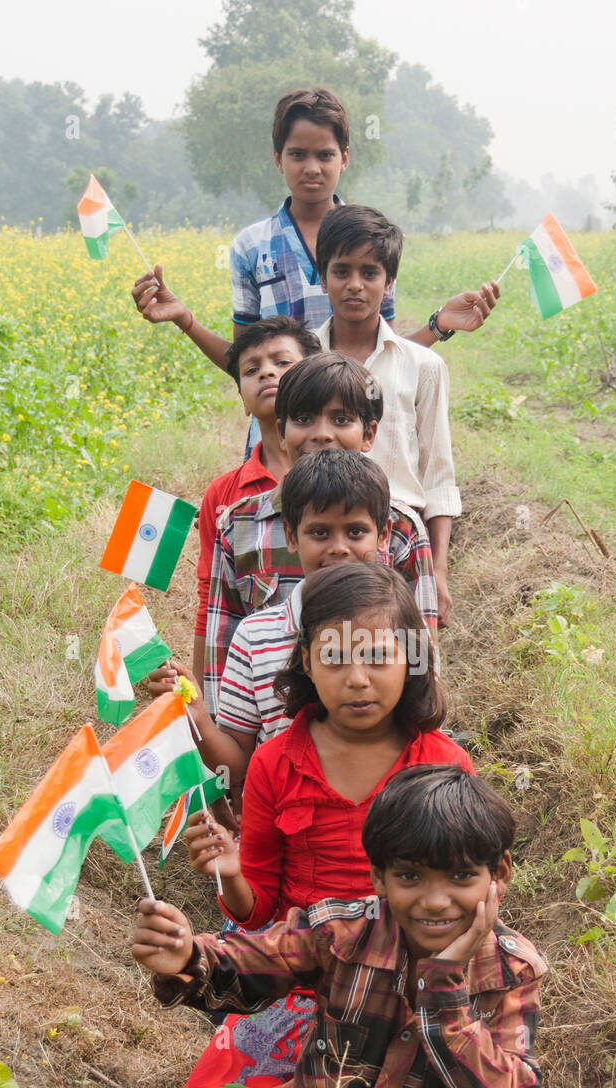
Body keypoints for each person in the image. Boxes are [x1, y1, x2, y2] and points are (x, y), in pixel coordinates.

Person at [132, 764, 557, 1088]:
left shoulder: (513, 969)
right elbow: (248, 964)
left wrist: (444, 989)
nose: (434, 900)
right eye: (410, 877)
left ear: (499, 876)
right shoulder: (340, 930)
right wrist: (187, 956)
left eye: (460, 878)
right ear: (378, 878)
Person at [157, 562, 473, 1088]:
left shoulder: (444, 764)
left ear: (413, 658)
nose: (358, 679)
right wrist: (230, 873)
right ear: (306, 662)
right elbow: (257, 912)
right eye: (335, 658)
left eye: (378, 657)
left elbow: (464, 903)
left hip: (411, 989)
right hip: (300, 980)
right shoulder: (275, 764)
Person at [129, 87, 501, 437]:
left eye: (324, 155)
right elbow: (243, 362)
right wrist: (185, 320)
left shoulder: (372, 241)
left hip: (350, 433)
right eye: (297, 154)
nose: (312, 167)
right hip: (280, 435)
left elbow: (384, 357)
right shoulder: (251, 246)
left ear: (345, 158)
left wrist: (438, 326)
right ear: (278, 159)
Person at [201, 355, 437, 717]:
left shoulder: (401, 528)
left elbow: (421, 651)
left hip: (374, 728)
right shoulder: (240, 524)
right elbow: (223, 638)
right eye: (304, 419)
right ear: (281, 432)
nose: (323, 434)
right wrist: (222, 734)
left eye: (341, 419)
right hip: (272, 735)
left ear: (369, 433)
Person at [151, 448, 395, 790]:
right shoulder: (255, 638)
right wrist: (199, 720)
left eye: (355, 532)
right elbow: (236, 768)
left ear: (383, 536)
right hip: (281, 825)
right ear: (292, 537)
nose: (339, 547)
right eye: (320, 533)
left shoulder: (401, 629)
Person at [315, 204, 460, 623]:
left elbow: (438, 476)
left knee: (407, 668)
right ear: (323, 278)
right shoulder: (303, 358)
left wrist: (439, 572)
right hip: (319, 540)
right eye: (341, 271)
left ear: (389, 282)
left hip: (400, 545)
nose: (355, 285)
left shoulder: (423, 366)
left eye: (370, 273)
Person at [193, 316, 321, 687]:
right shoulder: (224, 497)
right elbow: (213, 602)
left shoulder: (351, 481)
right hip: (262, 685)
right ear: (243, 401)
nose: (267, 373)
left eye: (282, 363)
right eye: (252, 369)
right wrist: (202, 698)